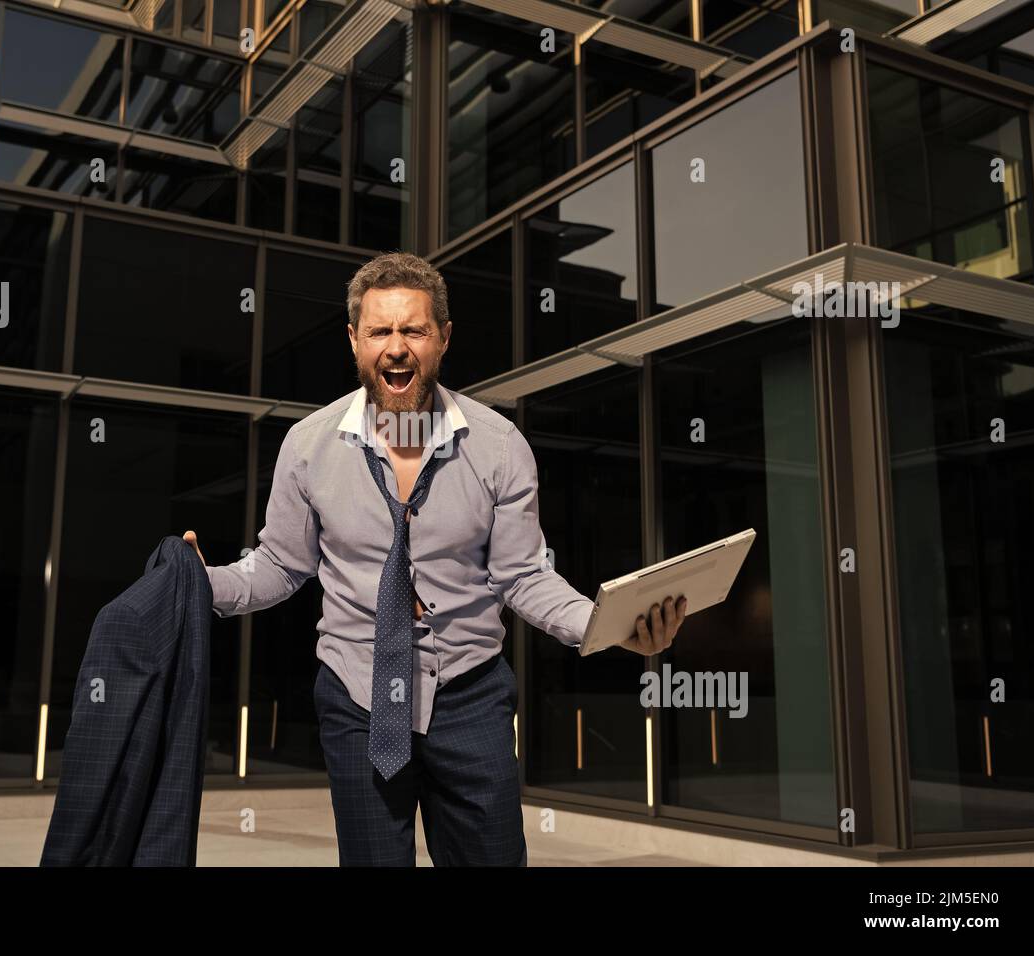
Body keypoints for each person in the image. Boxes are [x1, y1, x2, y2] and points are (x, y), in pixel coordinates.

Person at [185, 251, 685, 866]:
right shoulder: (307, 446)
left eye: (413, 330)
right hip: (356, 696)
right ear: (354, 341)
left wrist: (607, 627)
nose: (397, 347)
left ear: (443, 338)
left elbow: (524, 576)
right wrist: (197, 583)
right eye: (380, 331)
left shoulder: (499, 445)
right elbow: (281, 565)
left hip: (469, 697)